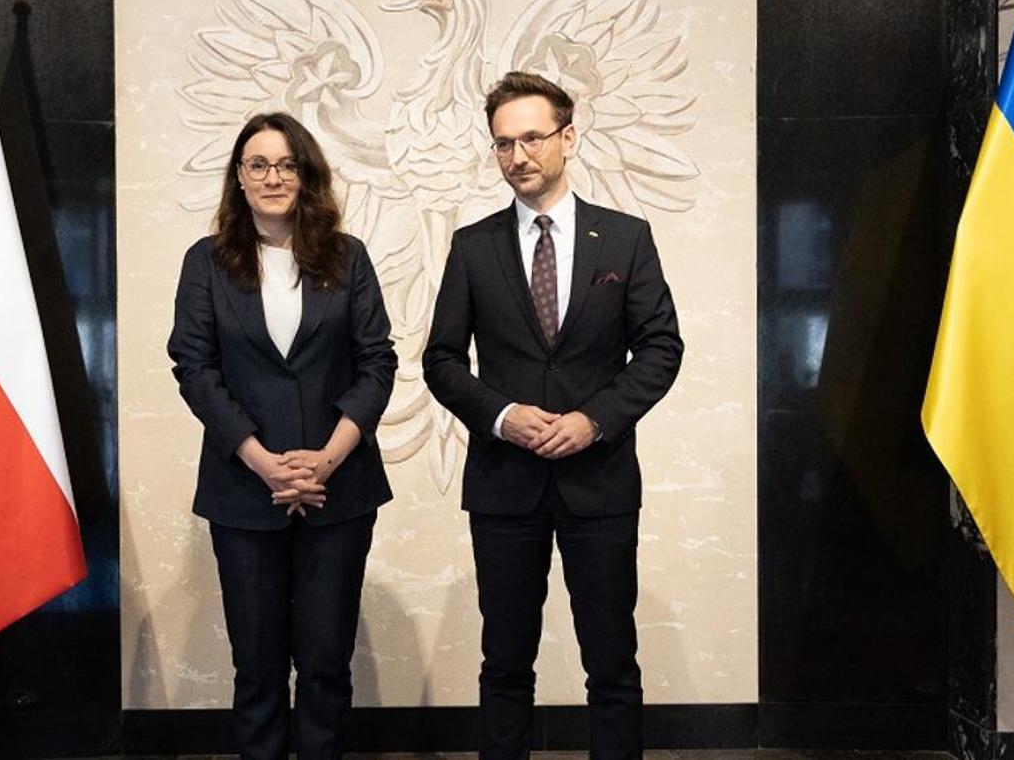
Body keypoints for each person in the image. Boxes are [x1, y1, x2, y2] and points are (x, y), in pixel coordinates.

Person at [423, 71, 685, 758]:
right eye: (503, 143)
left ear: (568, 138)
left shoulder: (624, 239)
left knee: (612, 663)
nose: (518, 156)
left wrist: (593, 420)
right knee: (505, 663)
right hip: (504, 485)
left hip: (600, 481)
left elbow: (661, 347)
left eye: (532, 138)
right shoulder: (473, 246)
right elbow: (441, 360)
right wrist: (502, 414)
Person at [168, 112, 395, 759]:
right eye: (259, 164)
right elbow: (194, 367)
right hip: (244, 492)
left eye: (287, 164)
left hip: (339, 492)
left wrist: (327, 459)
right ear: (238, 178)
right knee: (258, 669)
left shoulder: (348, 257)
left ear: (306, 175)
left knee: (325, 667)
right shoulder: (206, 262)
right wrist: (263, 460)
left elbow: (378, 362)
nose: (273, 177)